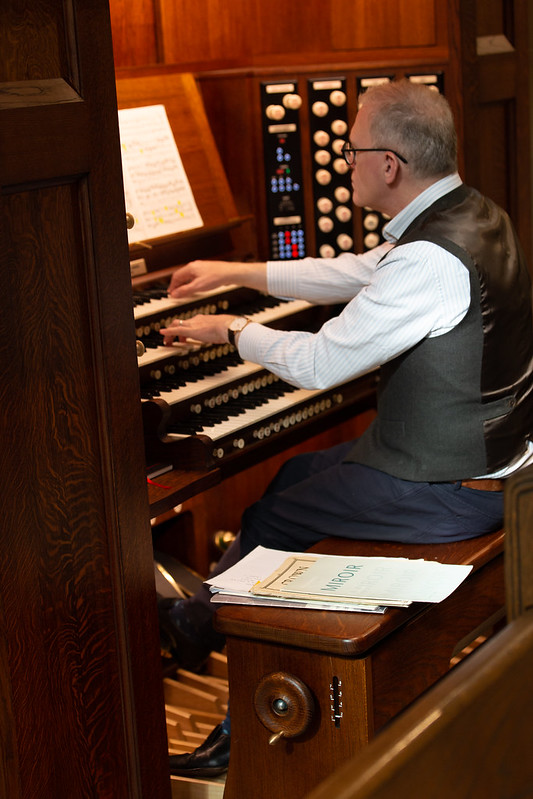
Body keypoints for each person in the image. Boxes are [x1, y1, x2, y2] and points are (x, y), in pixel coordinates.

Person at [158, 79, 533, 777]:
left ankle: (229, 683)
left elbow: (320, 361)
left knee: (273, 512)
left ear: (388, 165)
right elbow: (356, 272)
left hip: (454, 490)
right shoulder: (470, 214)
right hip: (487, 460)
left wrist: (231, 328)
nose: (343, 162)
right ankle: (208, 628)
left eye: (351, 150)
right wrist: (234, 270)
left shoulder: (428, 257)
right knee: (298, 476)